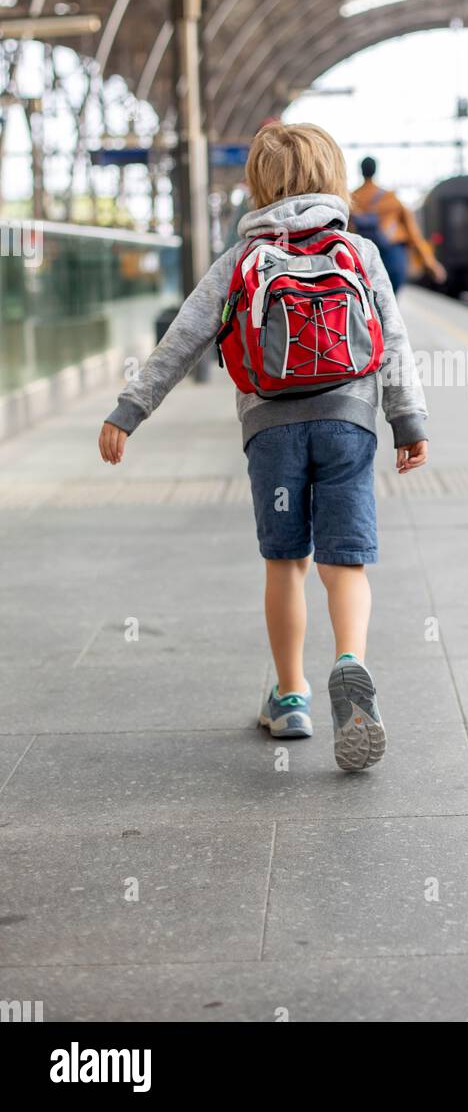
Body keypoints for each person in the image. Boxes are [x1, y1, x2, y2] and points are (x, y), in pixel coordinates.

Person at [97, 123, 429, 772]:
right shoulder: (356, 252)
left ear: (258, 184)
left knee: (287, 562)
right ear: (333, 179)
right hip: (349, 425)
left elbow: (183, 339)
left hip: (271, 431)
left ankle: (291, 696)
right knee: (346, 562)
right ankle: (351, 664)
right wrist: (409, 423)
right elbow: (392, 342)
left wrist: (128, 411)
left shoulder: (243, 258)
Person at [351, 156, 446, 294]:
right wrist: (431, 264)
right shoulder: (390, 198)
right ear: (375, 171)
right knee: (389, 303)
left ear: (361, 171)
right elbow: (414, 234)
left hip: (361, 256)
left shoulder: (353, 198)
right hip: (392, 255)